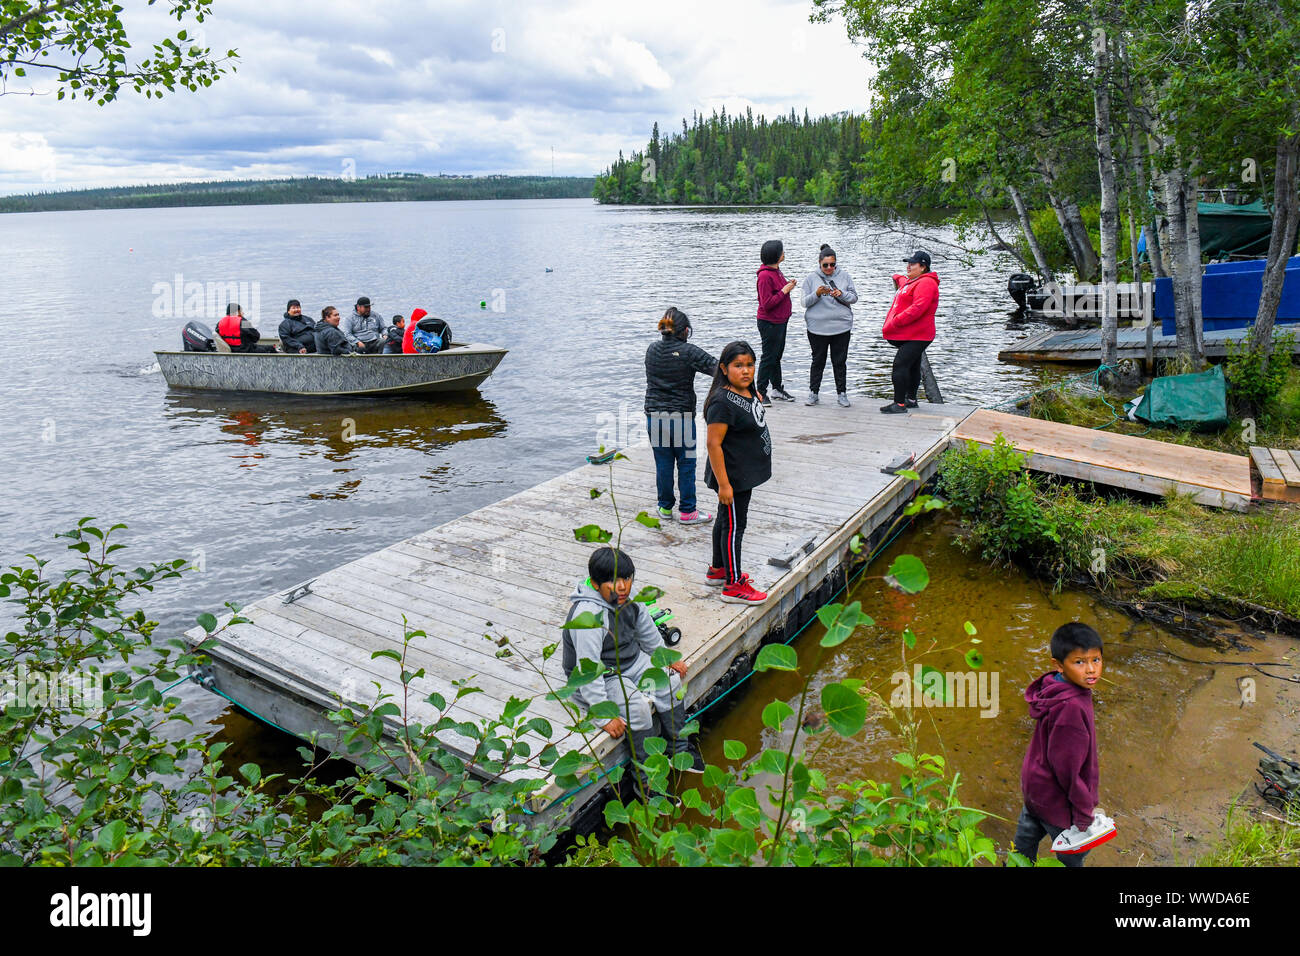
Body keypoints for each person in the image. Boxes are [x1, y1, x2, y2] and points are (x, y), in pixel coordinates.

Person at [561, 547, 703, 794]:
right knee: (637, 709)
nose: (623, 586)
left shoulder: (630, 597)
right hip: (603, 675)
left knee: (669, 681)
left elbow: (647, 631)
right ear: (595, 584)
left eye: (627, 578)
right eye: (613, 582)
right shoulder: (588, 616)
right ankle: (647, 782)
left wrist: (663, 657)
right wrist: (603, 716)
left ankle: (678, 748)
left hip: (631, 659)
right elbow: (587, 670)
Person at [1013, 622, 1105, 867]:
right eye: (1079, 662)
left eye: (1096, 660)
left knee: (1023, 846)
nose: (1090, 670)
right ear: (1058, 664)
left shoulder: (1052, 688)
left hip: (1035, 787)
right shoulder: (1072, 708)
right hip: (1057, 799)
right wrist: (1084, 813)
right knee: (1072, 855)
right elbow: (1067, 769)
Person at [703, 341, 772, 606]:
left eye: (750, 365)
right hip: (732, 476)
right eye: (738, 366)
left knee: (724, 520)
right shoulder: (721, 402)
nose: (745, 371)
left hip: (745, 472)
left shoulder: (746, 392)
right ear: (724, 368)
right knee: (734, 526)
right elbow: (713, 444)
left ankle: (718, 569)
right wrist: (724, 485)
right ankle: (733, 584)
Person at [644, 307, 717, 526]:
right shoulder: (689, 352)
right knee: (686, 464)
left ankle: (665, 507)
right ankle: (688, 511)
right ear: (685, 331)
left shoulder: (651, 350)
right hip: (681, 417)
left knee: (663, 463)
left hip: (654, 416)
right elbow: (719, 369)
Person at [880, 249, 939, 414]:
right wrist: (896, 277)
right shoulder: (915, 281)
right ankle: (911, 400)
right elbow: (903, 281)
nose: (908, 266)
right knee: (912, 366)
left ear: (922, 267)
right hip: (912, 334)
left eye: (912, 264)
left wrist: (896, 321)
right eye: (908, 263)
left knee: (900, 365)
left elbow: (918, 308)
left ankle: (899, 404)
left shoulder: (927, 283)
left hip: (919, 335)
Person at [800, 243, 859, 407]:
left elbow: (854, 297)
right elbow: (804, 302)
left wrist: (842, 293)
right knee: (818, 360)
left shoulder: (844, 276)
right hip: (817, 328)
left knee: (839, 361)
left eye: (832, 264)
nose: (829, 268)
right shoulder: (811, 278)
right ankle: (813, 393)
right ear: (819, 263)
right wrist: (817, 294)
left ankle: (842, 393)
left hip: (841, 327)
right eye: (825, 265)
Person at [755, 239, 798, 406]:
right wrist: (785, 290)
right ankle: (760, 392)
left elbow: (778, 291)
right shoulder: (765, 275)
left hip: (781, 321)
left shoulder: (776, 271)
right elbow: (767, 303)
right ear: (775, 255)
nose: (784, 253)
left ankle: (777, 389)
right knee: (768, 357)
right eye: (781, 251)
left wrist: (787, 285)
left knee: (776, 356)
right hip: (769, 322)